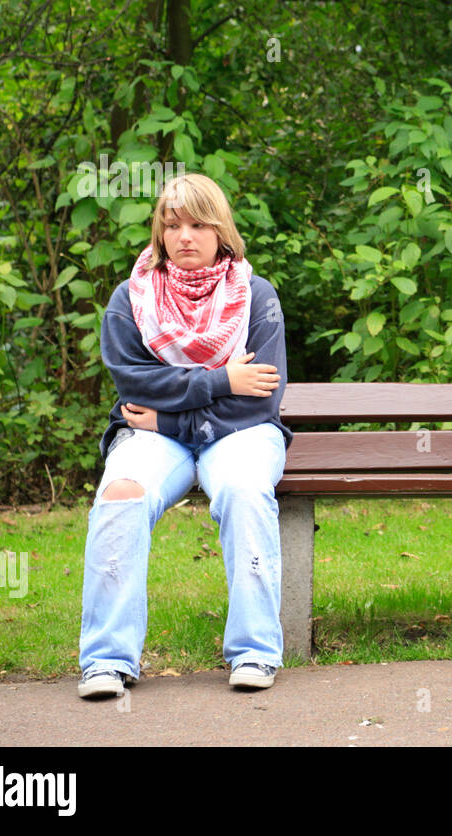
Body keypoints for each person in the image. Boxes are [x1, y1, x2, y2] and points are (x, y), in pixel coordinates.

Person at [78, 173, 291, 698]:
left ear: (221, 231)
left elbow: (259, 397)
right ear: (160, 232)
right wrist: (222, 379)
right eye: (173, 225)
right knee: (120, 494)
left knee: (244, 492)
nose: (185, 236)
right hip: (157, 438)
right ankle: (106, 661)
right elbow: (135, 382)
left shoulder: (255, 296)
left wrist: (170, 415)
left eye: (198, 224)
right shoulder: (130, 298)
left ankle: (254, 653)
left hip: (238, 433)